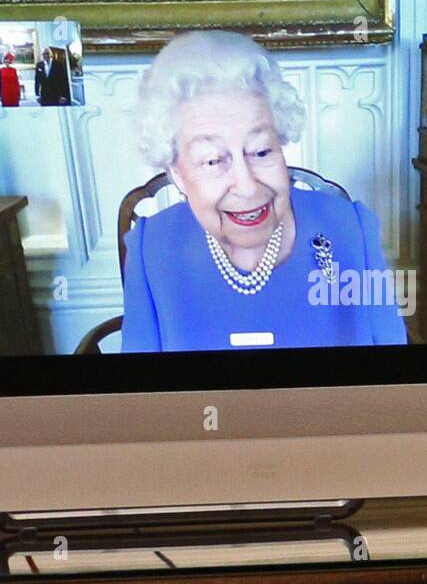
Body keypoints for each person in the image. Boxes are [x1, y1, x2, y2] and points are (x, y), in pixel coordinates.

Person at [120, 30, 408, 352]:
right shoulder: (152, 247)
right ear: (177, 173)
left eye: (261, 151)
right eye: (213, 160)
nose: (247, 187)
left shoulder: (350, 228)